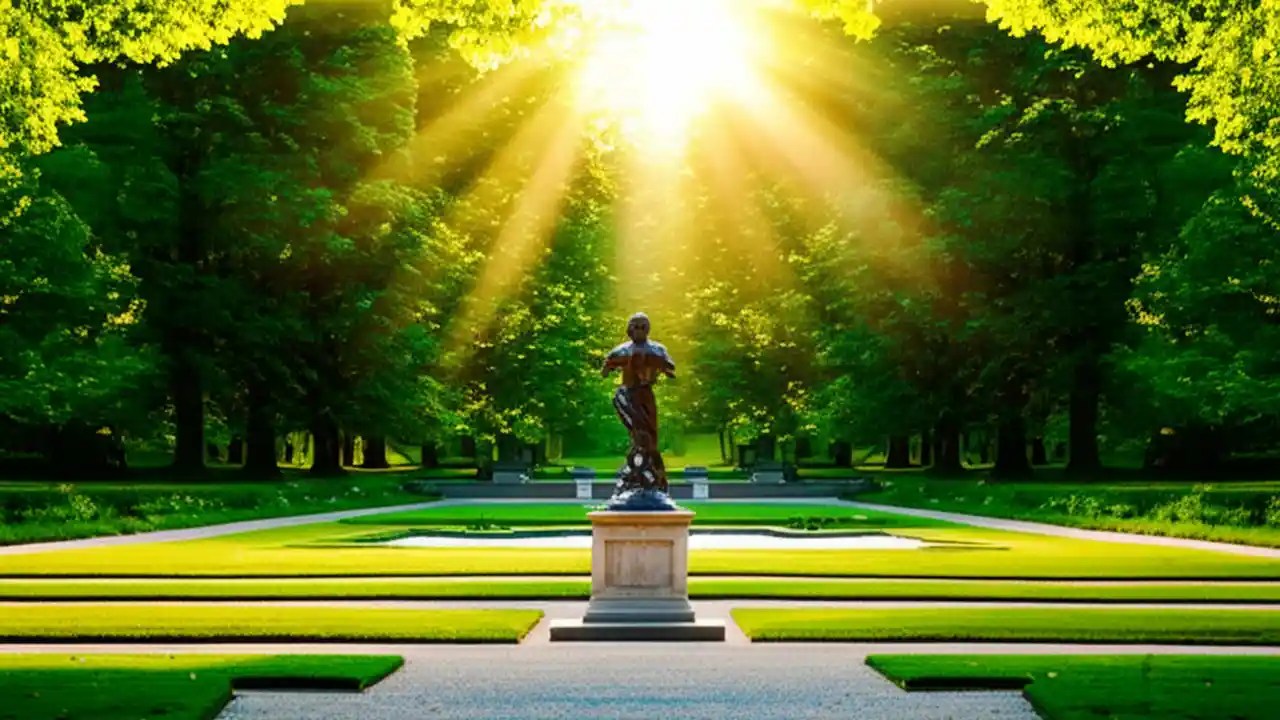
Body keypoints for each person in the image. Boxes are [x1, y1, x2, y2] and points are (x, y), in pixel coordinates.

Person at [602, 312, 676, 494]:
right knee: (639, 433)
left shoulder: (657, 349)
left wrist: (661, 367)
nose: (639, 330)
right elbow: (606, 368)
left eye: (643, 326)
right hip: (627, 395)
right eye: (635, 326)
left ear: (648, 329)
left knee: (650, 435)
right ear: (629, 329)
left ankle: (651, 470)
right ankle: (639, 467)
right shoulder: (622, 350)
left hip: (645, 396)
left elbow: (670, 368)